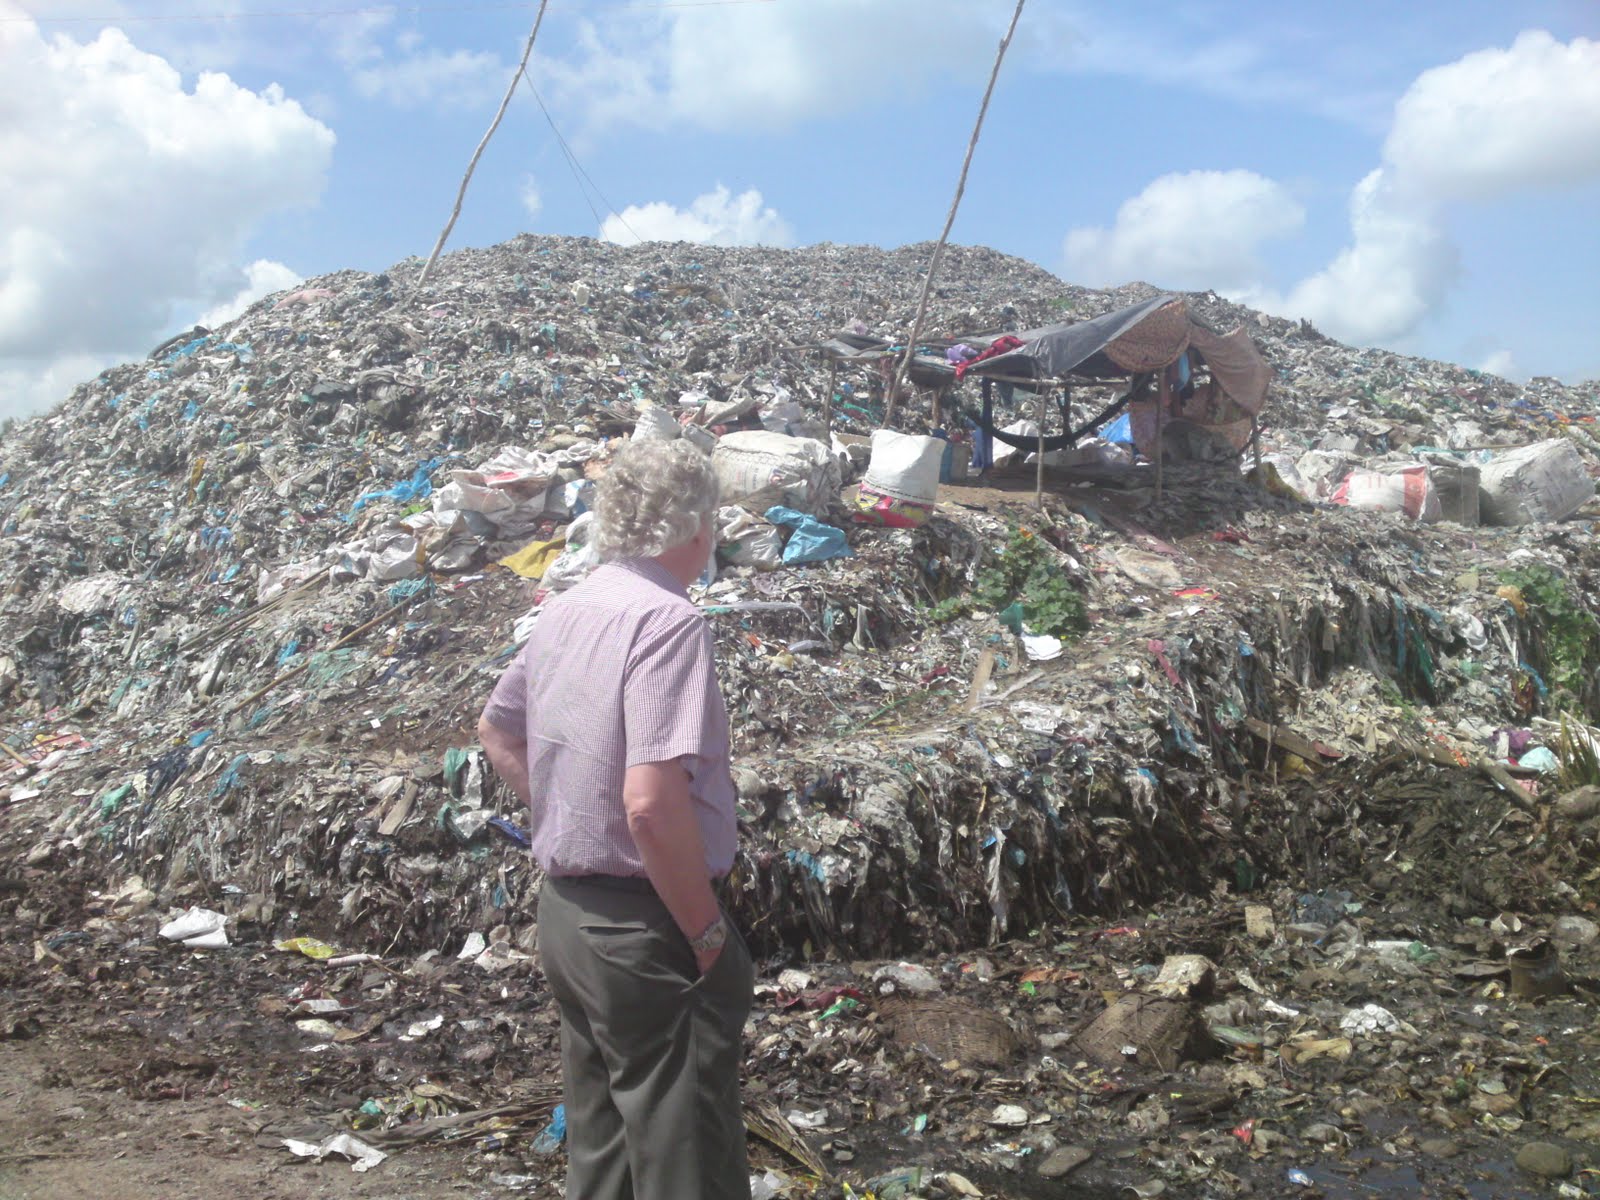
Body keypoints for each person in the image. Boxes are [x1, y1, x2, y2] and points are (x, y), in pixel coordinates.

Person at [477, 438, 752, 1200]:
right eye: (712, 519)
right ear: (693, 525)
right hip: (643, 928)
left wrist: (569, 811)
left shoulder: (567, 609)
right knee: (686, 1158)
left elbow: (498, 731)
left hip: (568, 918)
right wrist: (707, 936)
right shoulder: (669, 622)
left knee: (604, 1153)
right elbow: (651, 805)